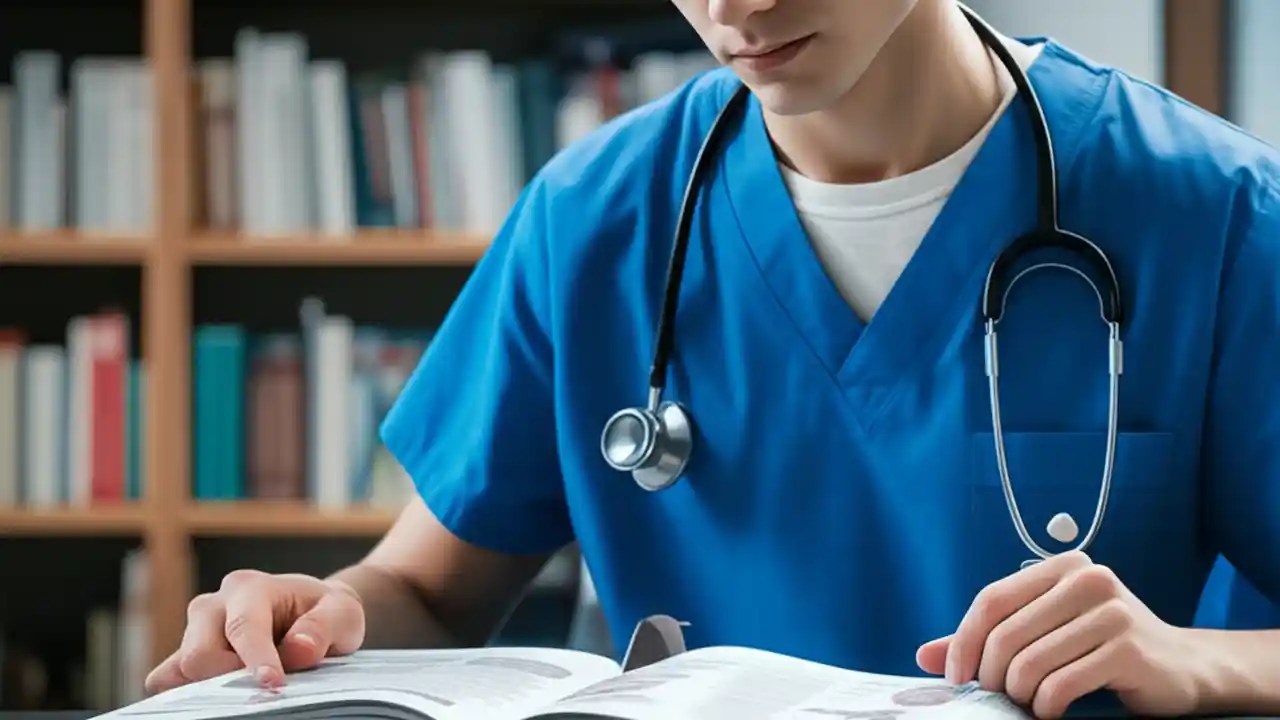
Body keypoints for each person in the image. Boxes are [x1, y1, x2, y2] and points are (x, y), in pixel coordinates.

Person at [147, 1, 1280, 717]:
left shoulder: (1210, 213)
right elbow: (424, 594)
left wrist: (1195, 663)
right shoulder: (593, 218)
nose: (735, 7)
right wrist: (314, 618)